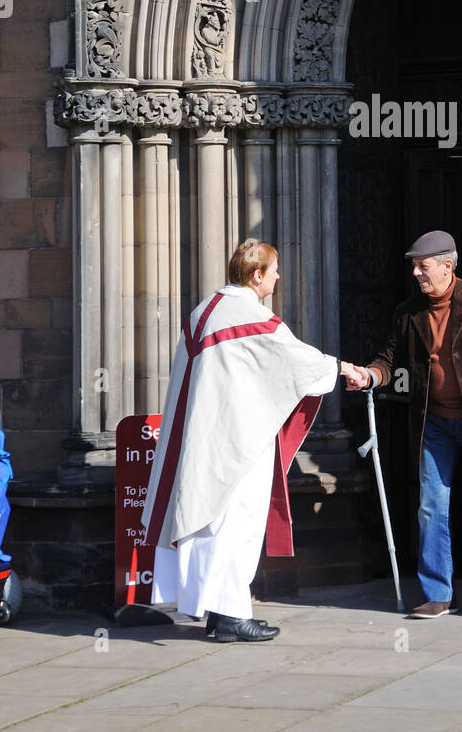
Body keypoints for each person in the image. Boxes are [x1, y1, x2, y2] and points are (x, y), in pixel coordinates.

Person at [142, 240, 363, 642]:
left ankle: (219, 611)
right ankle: (229, 616)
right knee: (235, 523)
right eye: (274, 270)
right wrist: (341, 368)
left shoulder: (201, 312)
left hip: (203, 438)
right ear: (257, 275)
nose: (278, 277)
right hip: (236, 442)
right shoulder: (252, 317)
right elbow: (296, 360)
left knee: (210, 523)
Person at [347, 230, 462, 622]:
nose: (416, 272)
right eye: (415, 265)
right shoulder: (408, 311)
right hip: (434, 424)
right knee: (431, 509)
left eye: (423, 265)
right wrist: (368, 376)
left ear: (447, 266)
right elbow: (387, 358)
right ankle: (437, 593)